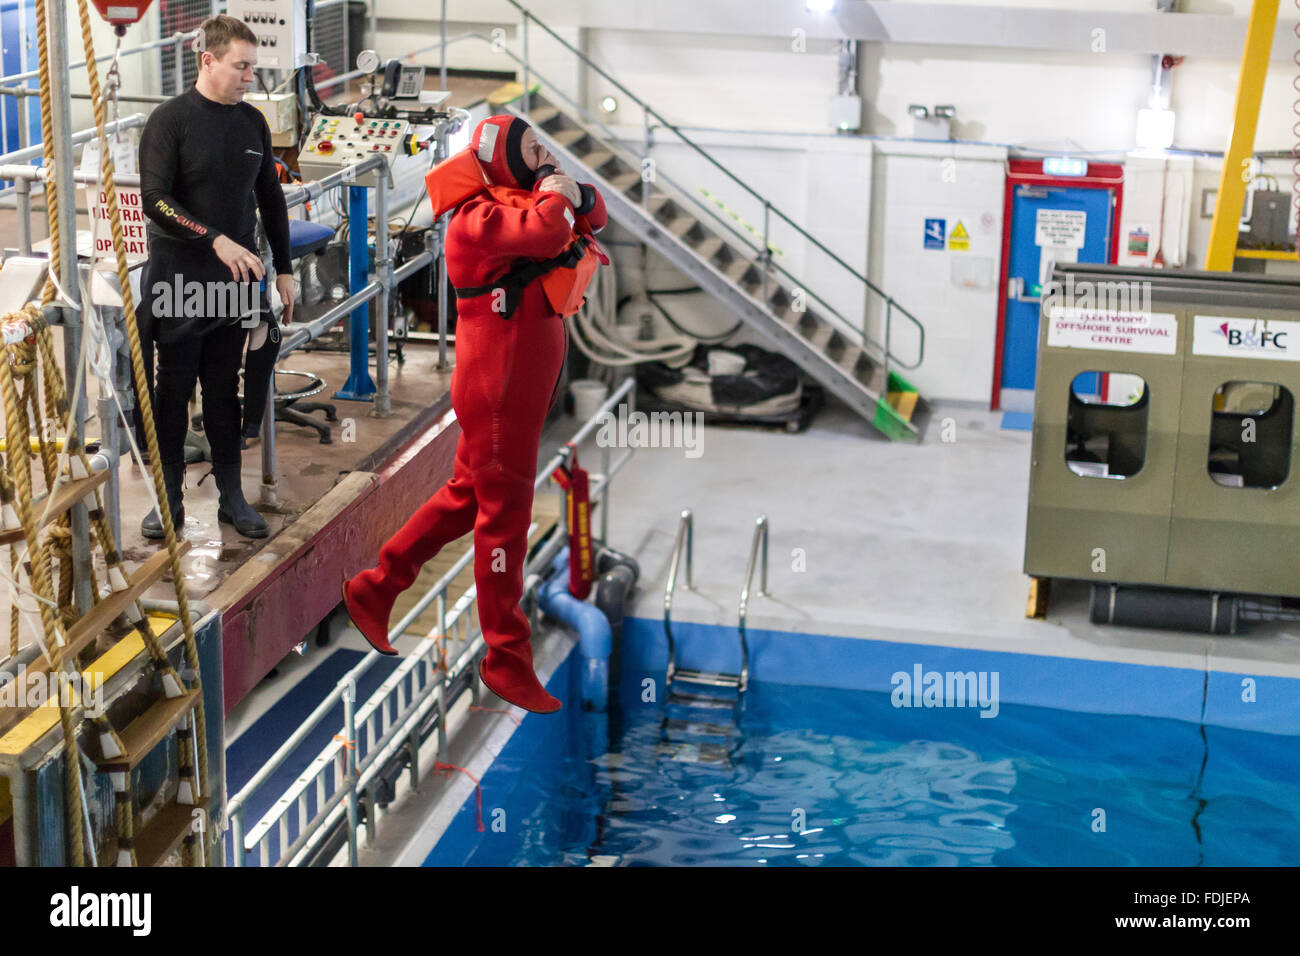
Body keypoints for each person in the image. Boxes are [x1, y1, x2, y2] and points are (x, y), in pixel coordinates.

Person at [343, 115, 608, 713]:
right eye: (533, 148)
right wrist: (560, 193)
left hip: (519, 389)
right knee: (504, 517)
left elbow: (594, 212)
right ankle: (506, 658)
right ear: (505, 156)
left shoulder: (521, 198)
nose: (545, 156)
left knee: (468, 494)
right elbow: (547, 233)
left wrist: (567, 190)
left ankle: (375, 588)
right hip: (497, 392)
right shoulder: (477, 220)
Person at [136, 14, 294, 540]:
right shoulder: (170, 121)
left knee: (224, 387)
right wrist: (215, 239)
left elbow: (270, 199)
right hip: (180, 278)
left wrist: (286, 271)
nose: (250, 77)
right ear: (208, 60)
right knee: (173, 389)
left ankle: (231, 494)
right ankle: (169, 499)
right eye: (241, 66)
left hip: (237, 281)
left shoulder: (252, 123)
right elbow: (155, 199)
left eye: (253, 67)